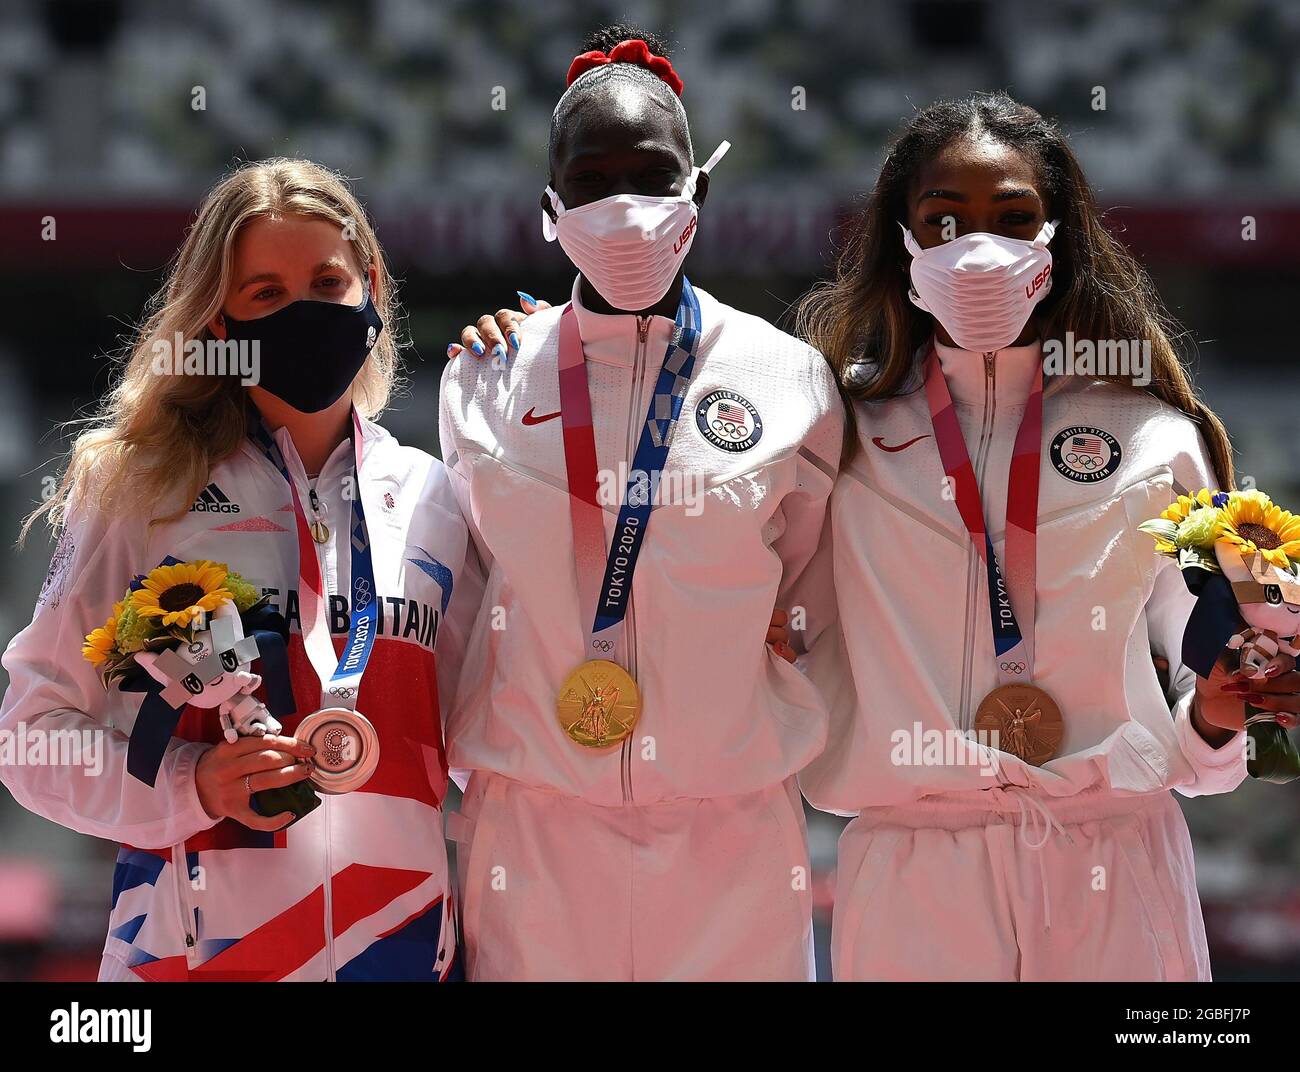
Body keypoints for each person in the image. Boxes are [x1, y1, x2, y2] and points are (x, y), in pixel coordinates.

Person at [791, 92, 1292, 980]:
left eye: (1012, 217)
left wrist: (1223, 714)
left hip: (1115, 856)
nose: (976, 248)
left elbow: (1208, 659)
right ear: (901, 243)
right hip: (914, 866)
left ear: (1056, 236)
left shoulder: (1153, 436)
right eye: (942, 220)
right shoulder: (838, 436)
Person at [0, 158, 481, 982]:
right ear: (219, 325)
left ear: (369, 290)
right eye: (266, 294)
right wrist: (190, 784)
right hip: (192, 961)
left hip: (395, 952)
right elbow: (29, 740)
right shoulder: (141, 489)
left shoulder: (436, 495)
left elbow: (487, 742)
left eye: (327, 282)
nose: (303, 311)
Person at [439, 26, 842, 981]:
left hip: (733, 827)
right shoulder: (483, 380)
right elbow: (467, 595)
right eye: (591, 179)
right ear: (550, 206)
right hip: (532, 825)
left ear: (698, 188)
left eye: (653, 175)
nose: (624, 205)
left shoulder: (791, 380)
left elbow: (807, 587)